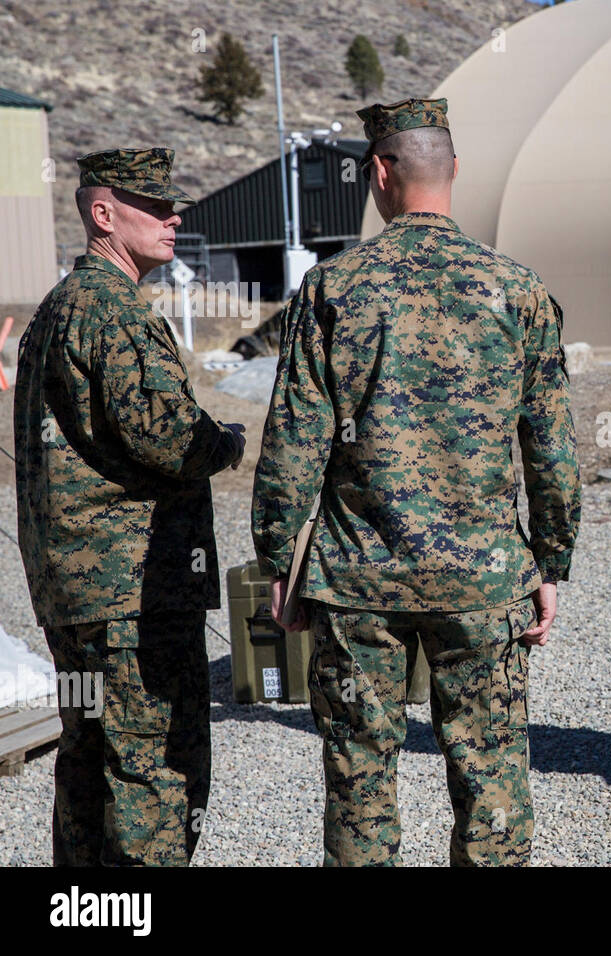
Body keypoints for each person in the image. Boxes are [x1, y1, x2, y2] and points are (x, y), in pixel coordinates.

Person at [251, 97, 580, 867]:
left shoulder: (332, 290)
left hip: (357, 580)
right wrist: (551, 563)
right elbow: (553, 450)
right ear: (454, 171)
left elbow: (293, 441)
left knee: (361, 774)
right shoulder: (517, 288)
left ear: (378, 172)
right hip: (484, 577)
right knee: (492, 770)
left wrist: (278, 561)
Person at [14, 147, 246, 865]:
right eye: (154, 206)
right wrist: (227, 442)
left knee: (89, 771)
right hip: (130, 598)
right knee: (151, 777)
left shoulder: (59, 307)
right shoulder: (111, 310)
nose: (173, 218)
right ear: (104, 214)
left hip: (76, 593)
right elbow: (167, 436)